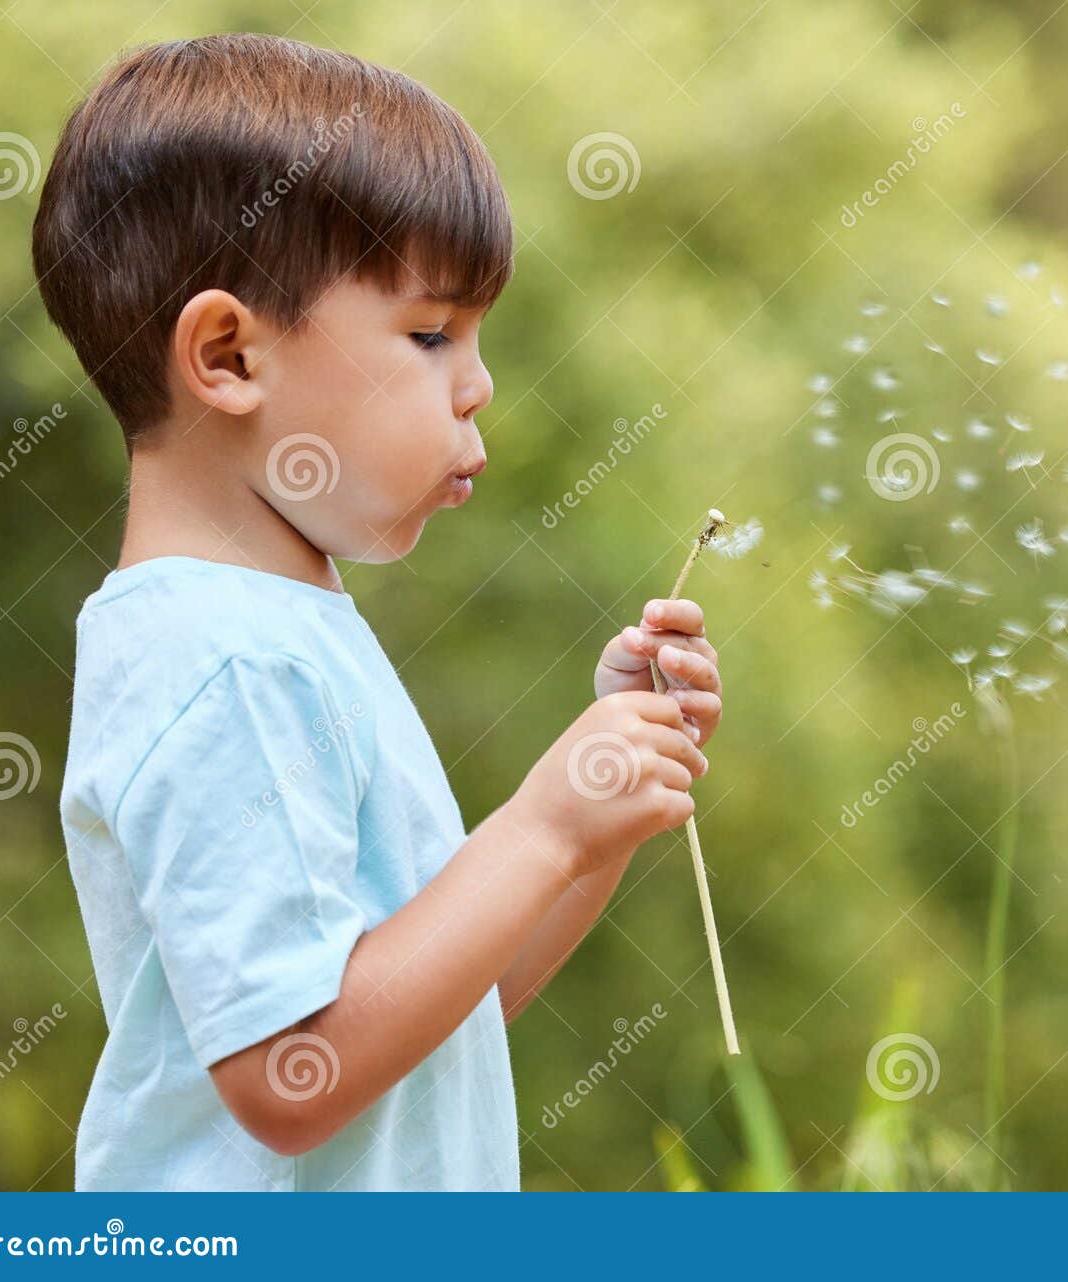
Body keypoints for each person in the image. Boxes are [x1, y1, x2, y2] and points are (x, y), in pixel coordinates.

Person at [36, 33, 723, 1191]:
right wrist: (542, 826)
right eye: (429, 333)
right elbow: (292, 1072)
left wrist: (589, 825)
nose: (478, 382)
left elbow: (451, 1004)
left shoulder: (288, 633)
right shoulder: (224, 662)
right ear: (228, 355)